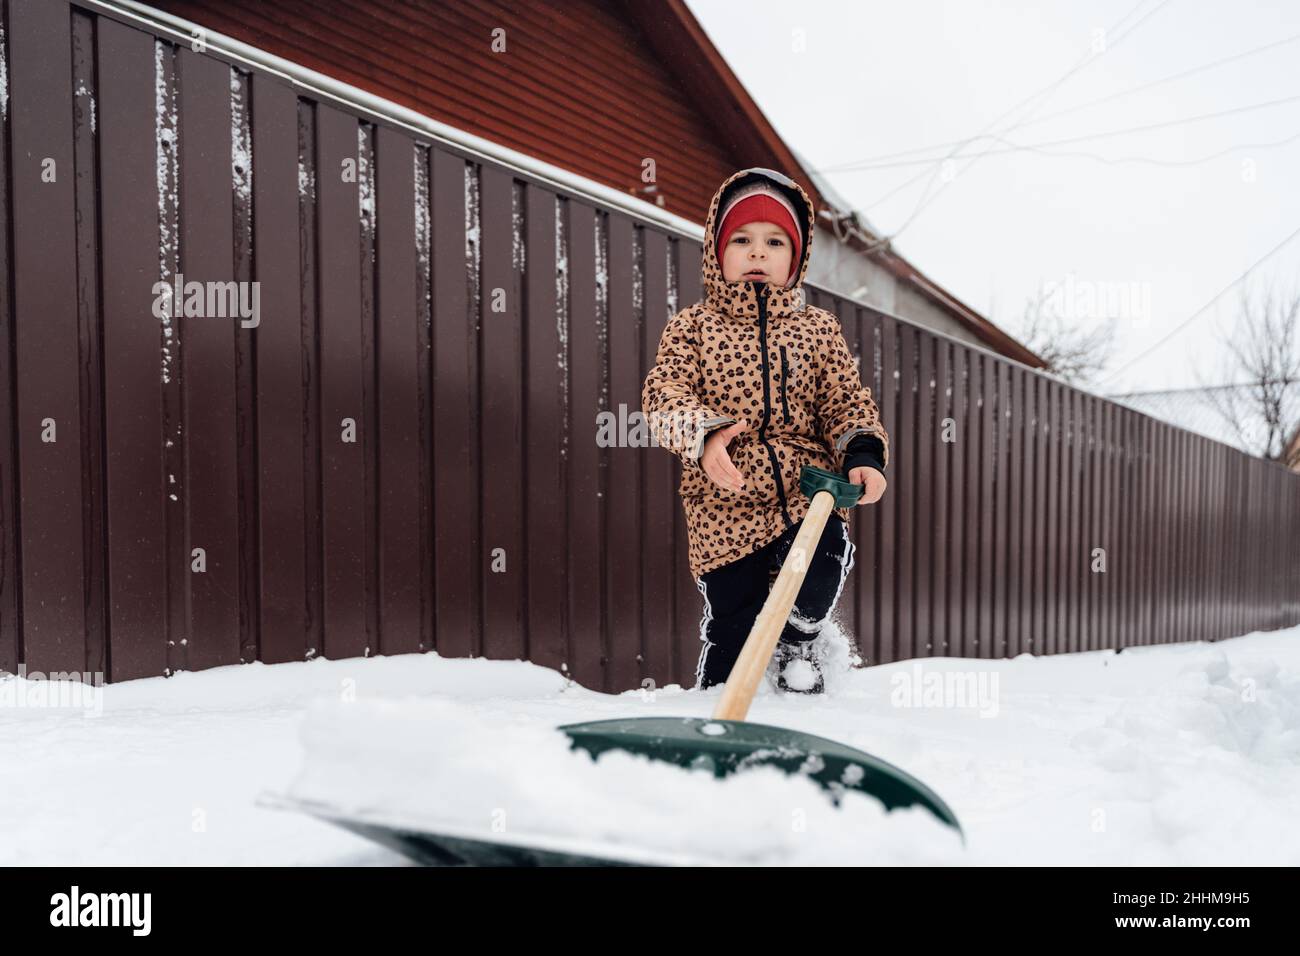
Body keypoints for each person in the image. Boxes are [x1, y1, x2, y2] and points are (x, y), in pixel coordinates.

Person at [641, 168, 891, 694]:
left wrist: (862, 451)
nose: (758, 253)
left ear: (795, 259)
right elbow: (664, 398)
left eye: (774, 242)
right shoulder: (693, 327)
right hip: (724, 505)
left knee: (819, 565)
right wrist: (703, 434)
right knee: (735, 624)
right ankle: (716, 706)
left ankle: (800, 647)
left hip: (809, 491)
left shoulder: (818, 330)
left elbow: (844, 400)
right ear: (717, 253)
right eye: (742, 240)